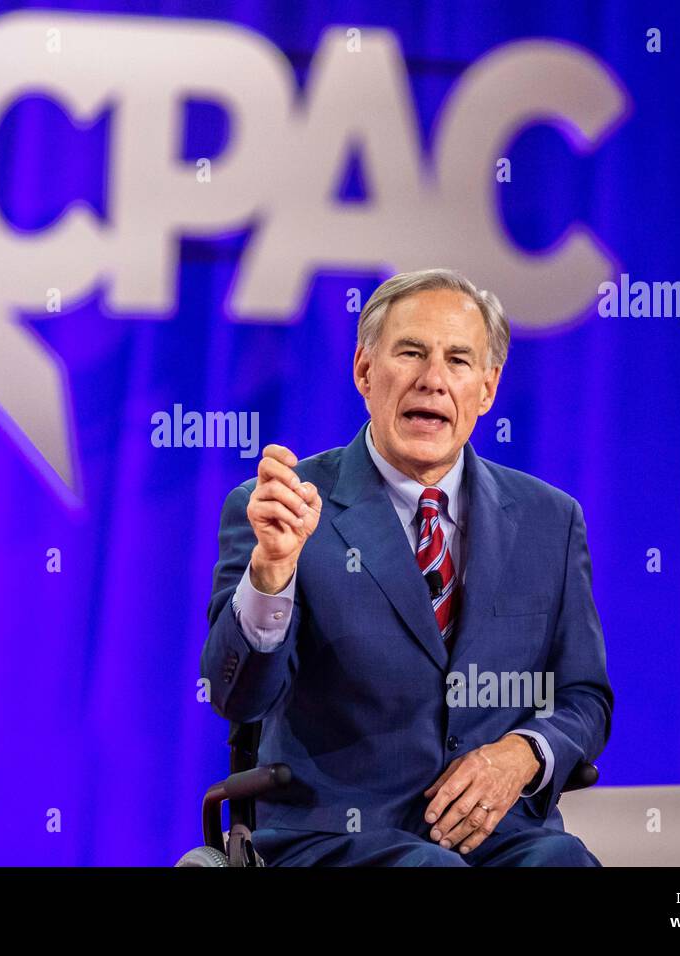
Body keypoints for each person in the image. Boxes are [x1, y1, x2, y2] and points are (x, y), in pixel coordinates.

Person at [201, 268, 613, 866]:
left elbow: (584, 696)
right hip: (334, 840)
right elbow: (234, 696)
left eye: (459, 360)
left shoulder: (551, 520)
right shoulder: (283, 509)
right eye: (411, 353)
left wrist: (524, 753)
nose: (433, 380)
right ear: (365, 372)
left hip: (503, 838)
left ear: (488, 389)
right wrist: (272, 572)